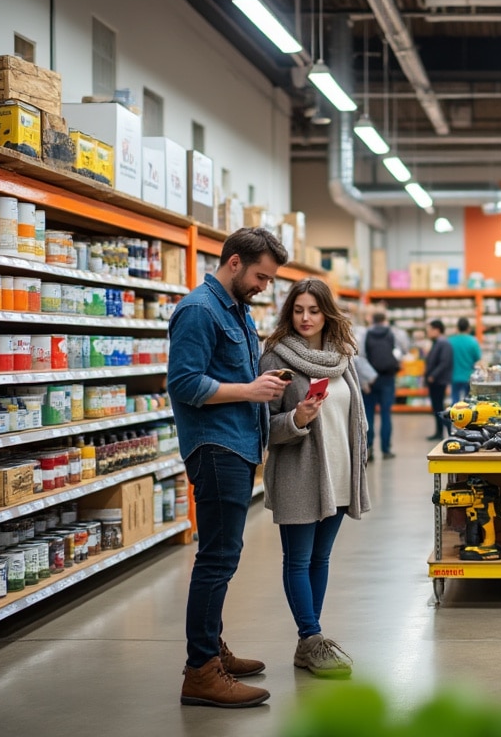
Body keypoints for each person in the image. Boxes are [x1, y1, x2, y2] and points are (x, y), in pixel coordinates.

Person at [167, 227, 289, 708]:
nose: (265, 285)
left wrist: (261, 386)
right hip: (215, 447)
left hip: (237, 444)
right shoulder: (199, 310)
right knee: (217, 557)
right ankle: (200, 670)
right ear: (234, 262)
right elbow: (184, 383)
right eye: (261, 275)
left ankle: (211, 648)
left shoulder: (237, 310)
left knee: (223, 555)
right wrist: (250, 391)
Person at [259, 278, 370, 679]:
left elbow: (353, 415)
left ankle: (309, 646)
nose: (306, 318)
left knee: (321, 559)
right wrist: (296, 419)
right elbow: (260, 426)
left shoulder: (343, 357)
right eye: (298, 310)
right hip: (299, 472)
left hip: (340, 472)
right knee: (299, 559)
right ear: (289, 312)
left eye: (314, 310)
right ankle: (312, 636)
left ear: (327, 313)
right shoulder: (274, 358)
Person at [358, 311, 404, 459]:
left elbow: (361, 357)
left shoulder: (365, 334)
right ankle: (386, 449)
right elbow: (401, 351)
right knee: (386, 415)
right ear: (385, 320)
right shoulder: (392, 333)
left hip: (370, 380)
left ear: (372, 320)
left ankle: (369, 448)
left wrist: (366, 378)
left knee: (369, 414)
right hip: (387, 378)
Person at [424, 319, 453, 440]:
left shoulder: (443, 343)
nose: (428, 332)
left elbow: (444, 362)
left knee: (439, 408)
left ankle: (448, 432)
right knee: (436, 408)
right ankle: (439, 432)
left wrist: (432, 375)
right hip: (435, 381)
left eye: (430, 330)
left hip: (438, 381)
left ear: (437, 330)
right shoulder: (437, 343)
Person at [448, 317, 482, 405]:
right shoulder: (473, 341)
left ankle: (454, 417)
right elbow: (478, 359)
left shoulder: (451, 341)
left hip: (454, 375)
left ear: (457, 328)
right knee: (468, 402)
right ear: (468, 328)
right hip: (469, 376)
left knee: (455, 400)